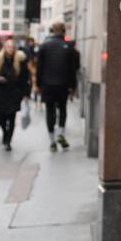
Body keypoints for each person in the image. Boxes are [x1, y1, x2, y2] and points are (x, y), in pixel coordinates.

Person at [35, 21, 80, 152]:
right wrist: (73, 86)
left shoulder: (44, 46)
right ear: (64, 31)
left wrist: (38, 84)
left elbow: (39, 68)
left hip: (47, 85)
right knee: (62, 109)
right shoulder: (69, 46)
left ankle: (52, 140)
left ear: (52, 31)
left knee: (50, 112)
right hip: (63, 85)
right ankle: (60, 133)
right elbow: (72, 70)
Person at [0, 38, 30, 150]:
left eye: (12, 47)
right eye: (8, 47)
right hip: (1, 93)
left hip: (14, 93)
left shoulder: (20, 60)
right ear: (5, 48)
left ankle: (8, 141)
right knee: (0, 119)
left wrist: (26, 94)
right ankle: (5, 133)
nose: (10, 49)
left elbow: (25, 78)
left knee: (11, 118)